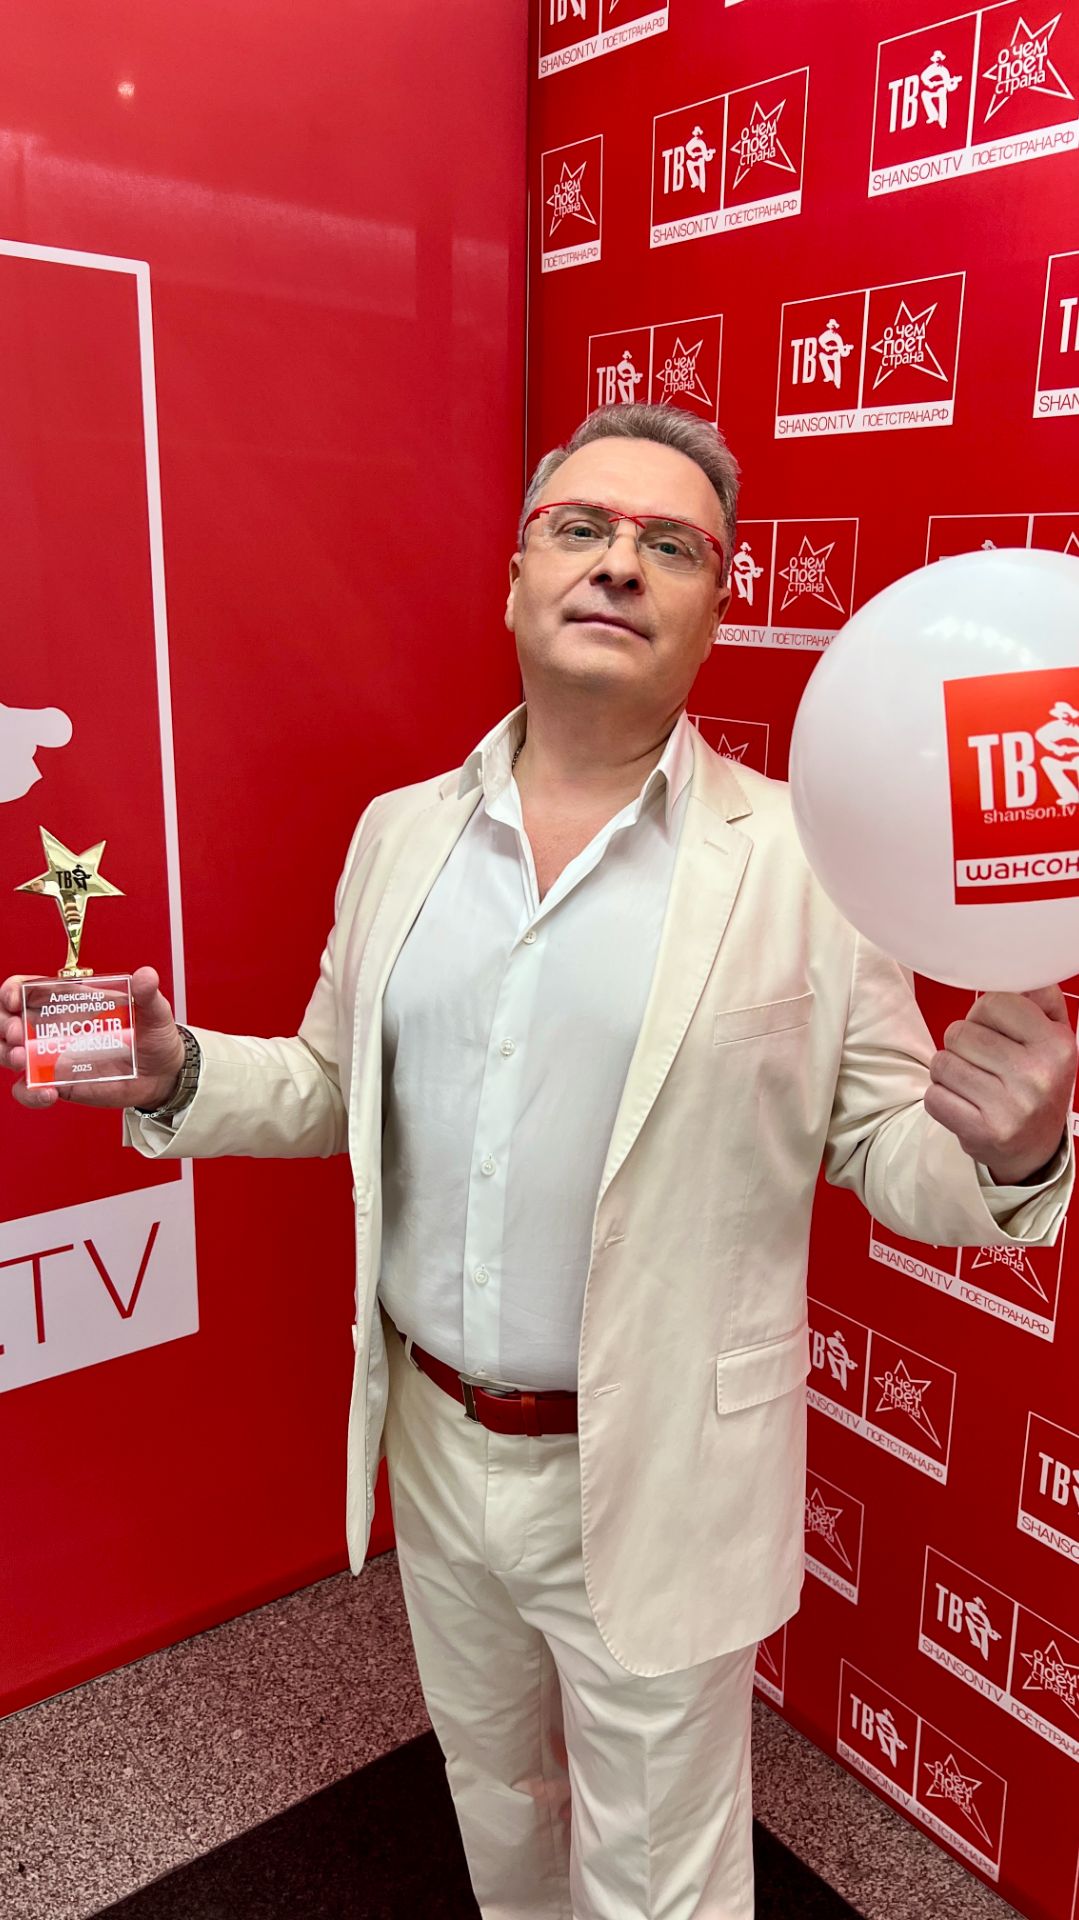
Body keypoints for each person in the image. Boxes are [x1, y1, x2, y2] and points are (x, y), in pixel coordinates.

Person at [3, 402, 1075, 1920]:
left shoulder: (805, 860)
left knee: (661, 1873)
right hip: (437, 1445)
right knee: (496, 1801)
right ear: (515, 576)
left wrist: (1017, 1152)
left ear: (720, 604)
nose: (619, 565)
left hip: (665, 1475)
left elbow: (889, 1149)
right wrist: (173, 1071)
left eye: (671, 545)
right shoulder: (398, 836)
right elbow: (330, 1088)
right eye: (582, 528)